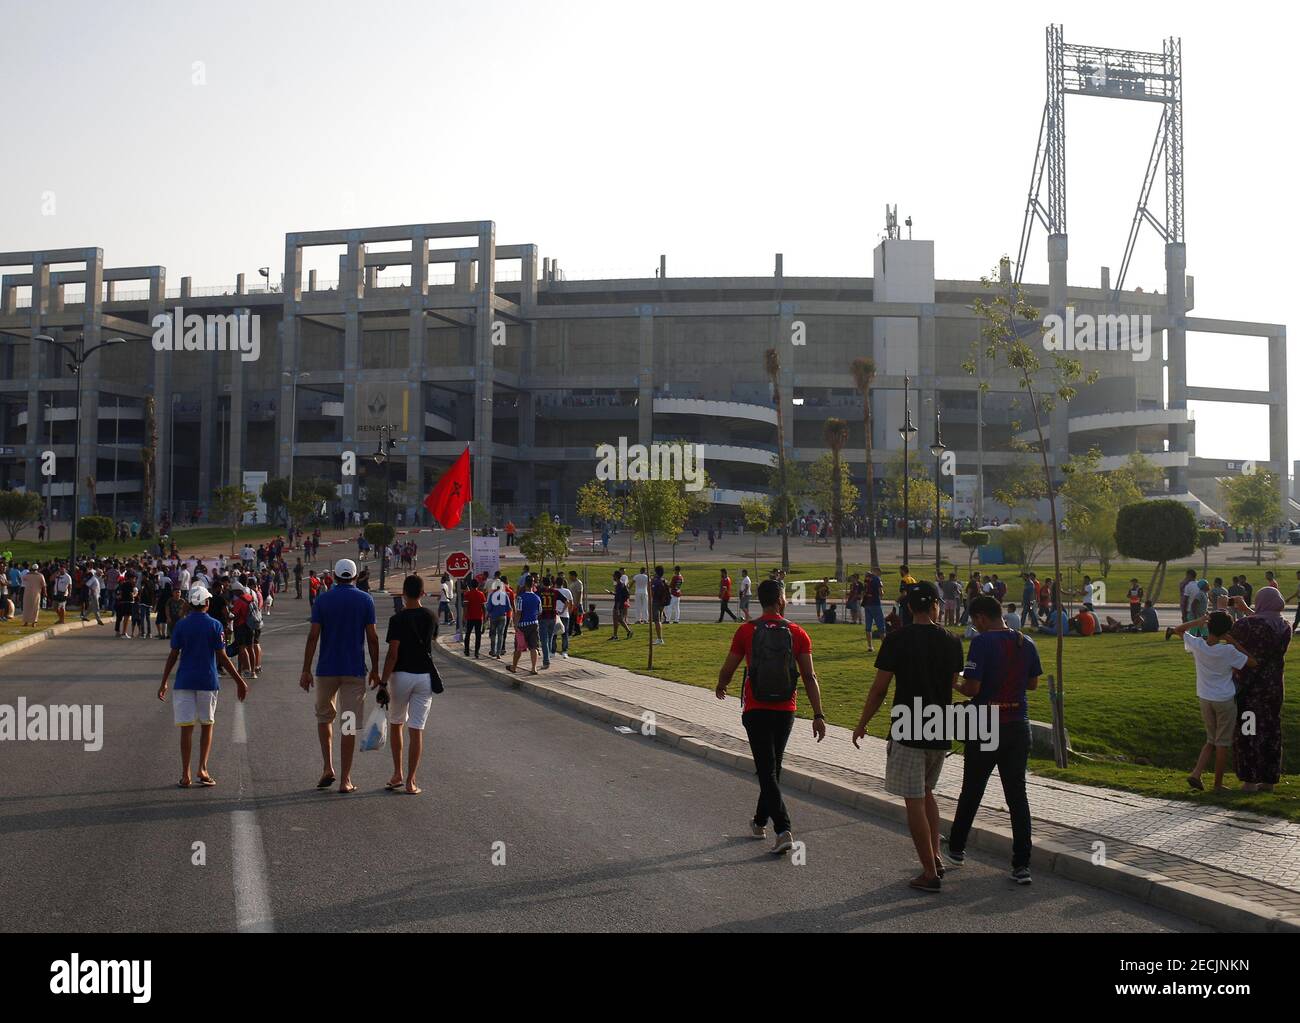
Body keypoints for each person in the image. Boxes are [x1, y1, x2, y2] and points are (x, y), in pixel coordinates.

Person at [851, 581, 964, 893]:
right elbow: (955, 682)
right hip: (940, 727)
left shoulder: (896, 639)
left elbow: (880, 688)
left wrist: (863, 723)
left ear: (910, 608)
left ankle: (929, 872)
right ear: (935, 606)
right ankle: (937, 857)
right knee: (927, 792)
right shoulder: (953, 641)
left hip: (907, 726)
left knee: (913, 799)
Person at [715, 579, 827, 855]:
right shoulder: (798, 633)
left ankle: (782, 829)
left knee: (767, 770)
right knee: (772, 768)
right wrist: (818, 714)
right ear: (780, 600)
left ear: (760, 600)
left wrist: (722, 684)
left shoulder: (746, 631)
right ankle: (759, 821)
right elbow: (809, 676)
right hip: (785, 710)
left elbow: (729, 666)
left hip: (756, 709)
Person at [946, 595, 1040, 885]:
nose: (974, 625)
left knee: (972, 790)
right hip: (1018, 725)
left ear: (982, 617)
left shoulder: (982, 643)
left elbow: (972, 688)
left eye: (974, 620)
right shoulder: (1026, 642)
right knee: (1017, 797)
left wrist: (954, 682)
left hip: (986, 725)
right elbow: (1033, 683)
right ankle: (1021, 864)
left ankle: (957, 849)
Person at [299, 559, 380, 794]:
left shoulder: (323, 599)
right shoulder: (365, 600)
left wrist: (305, 669)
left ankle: (328, 767)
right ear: (355, 577)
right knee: (347, 723)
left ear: (334, 576)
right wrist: (375, 668)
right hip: (354, 669)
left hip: (326, 669)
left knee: (324, 718)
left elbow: (313, 636)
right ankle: (345, 779)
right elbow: (372, 638)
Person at [157, 585, 248, 788]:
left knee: (186, 728)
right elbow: (222, 657)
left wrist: (163, 682)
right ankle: (202, 768)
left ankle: (185, 774)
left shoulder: (181, 625)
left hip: (184, 682)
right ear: (206, 603)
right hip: (207, 681)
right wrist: (239, 681)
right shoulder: (215, 625)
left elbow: (173, 655)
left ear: (190, 603)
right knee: (207, 724)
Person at [1169, 610, 1255, 793]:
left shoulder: (1198, 645)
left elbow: (1178, 630)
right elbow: (1253, 662)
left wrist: (1197, 621)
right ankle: (1217, 785)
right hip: (1224, 700)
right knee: (1222, 743)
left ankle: (1196, 773)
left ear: (1208, 626)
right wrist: (1234, 642)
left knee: (1211, 740)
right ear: (1227, 631)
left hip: (1205, 698)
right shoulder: (1228, 650)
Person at [378, 575, 442, 795]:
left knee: (397, 724)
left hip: (401, 676)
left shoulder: (397, 620)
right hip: (424, 678)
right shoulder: (431, 617)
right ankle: (412, 781)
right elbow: (432, 641)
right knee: (417, 729)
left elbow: (392, 653)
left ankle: (397, 773)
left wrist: (382, 682)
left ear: (403, 593)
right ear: (423, 593)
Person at [1228, 588, 1290, 793]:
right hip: (1274, 689)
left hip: (1250, 689)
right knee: (1271, 731)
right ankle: (1268, 780)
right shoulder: (1284, 626)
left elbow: (1230, 631)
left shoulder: (1247, 625)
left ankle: (1249, 780)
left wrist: (1221, 609)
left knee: (1248, 730)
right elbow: (1261, 623)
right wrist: (1247, 609)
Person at [507, 577, 542, 679]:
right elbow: (540, 611)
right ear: (533, 585)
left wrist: (516, 625)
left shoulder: (520, 598)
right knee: (533, 647)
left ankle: (514, 667)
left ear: (525, 584)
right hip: (534, 624)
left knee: (518, 647)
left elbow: (518, 612)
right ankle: (534, 668)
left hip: (523, 625)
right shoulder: (537, 598)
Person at [487, 578, 512, 658]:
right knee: (500, 634)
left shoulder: (492, 595)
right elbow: (509, 608)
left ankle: (493, 651)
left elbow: (489, 607)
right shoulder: (505, 595)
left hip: (493, 617)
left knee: (493, 634)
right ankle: (498, 652)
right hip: (502, 616)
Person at [462, 577, 486, 658]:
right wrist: (485, 618)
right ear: (477, 585)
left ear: (470, 585)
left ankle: (467, 650)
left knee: (467, 634)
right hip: (479, 618)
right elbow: (484, 607)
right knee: (478, 635)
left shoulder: (467, 594)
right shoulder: (481, 594)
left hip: (470, 617)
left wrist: (464, 617)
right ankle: (476, 652)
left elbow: (465, 607)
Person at [21, 563, 45, 628]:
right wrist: (45, 593)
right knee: (35, 607)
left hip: (27, 593)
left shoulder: (28, 575)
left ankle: (26, 622)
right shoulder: (40, 575)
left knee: (26, 607)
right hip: (36, 593)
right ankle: (34, 622)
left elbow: (23, 579)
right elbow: (44, 585)